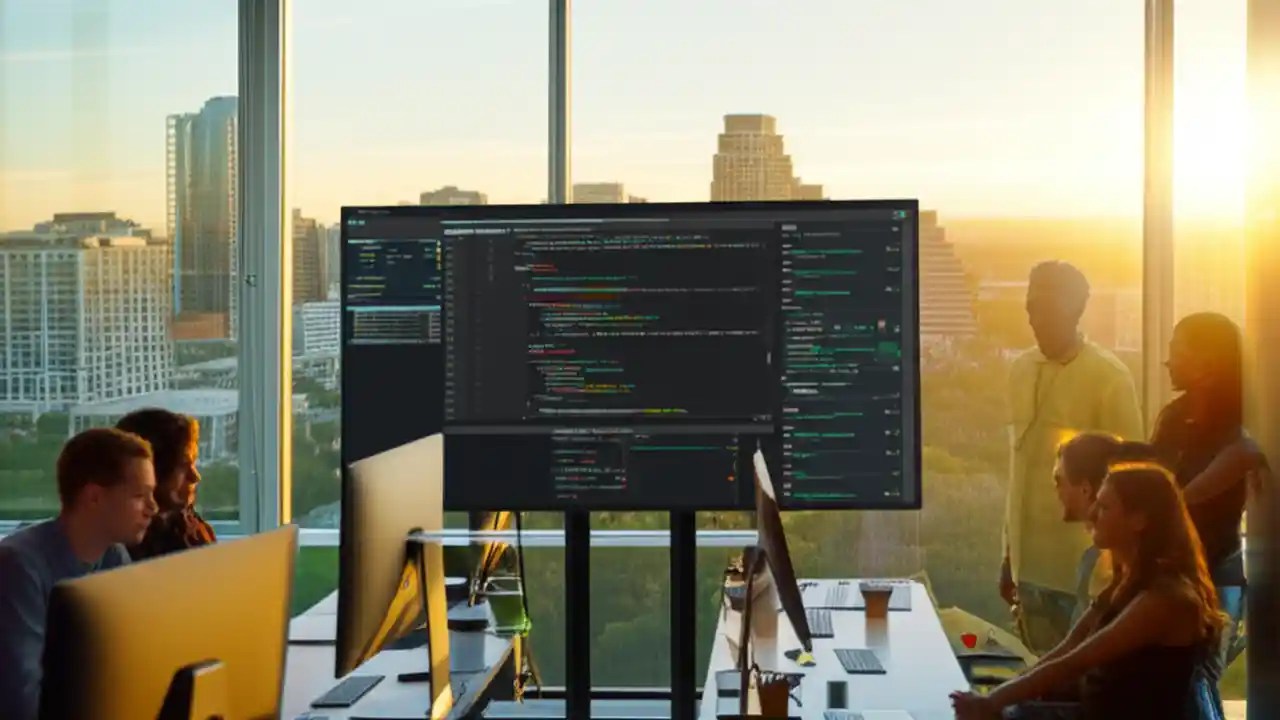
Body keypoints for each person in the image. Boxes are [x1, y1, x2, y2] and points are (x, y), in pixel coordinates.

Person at [954, 463, 1226, 719]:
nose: (1092, 513)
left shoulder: (1165, 599)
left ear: (1139, 520)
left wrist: (992, 703)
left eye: (1105, 507)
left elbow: (1076, 661)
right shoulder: (1126, 582)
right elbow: (1067, 649)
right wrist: (999, 698)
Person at [1003, 261, 1144, 655]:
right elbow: (1019, 473)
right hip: (1027, 575)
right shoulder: (1019, 369)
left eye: (1045, 306)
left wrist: (1124, 574)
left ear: (1074, 309)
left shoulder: (1109, 377)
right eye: (1030, 306)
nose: (1034, 317)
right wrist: (1009, 558)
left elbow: (1136, 479)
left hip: (1086, 578)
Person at [0, 428, 158, 720]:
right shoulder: (18, 567)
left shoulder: (113, 556)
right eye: (140, 495)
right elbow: (19, 703)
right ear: (94, 497)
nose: (153, 508)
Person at [1151, 312, 1262, 668]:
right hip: (1170, 571)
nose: (1167, 360)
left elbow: (1243, 456)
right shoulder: (1173, 417)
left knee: (1200, 678)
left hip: (1216, 570)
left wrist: (1173, 505)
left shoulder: (1245, 420)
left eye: (1177, 349)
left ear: (1207, 362)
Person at [1051, 433, 1157, 624]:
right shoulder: (1097, 559)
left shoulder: (1111, 568)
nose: (1055, 489)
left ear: (1085, 489)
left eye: (1059, 480)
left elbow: (1096, 646)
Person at [116, 408, 216, 560]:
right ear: (152, 470)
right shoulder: (116, 549)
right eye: (183, 465)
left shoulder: (190, 527)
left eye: (193, 463)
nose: (195, 477)